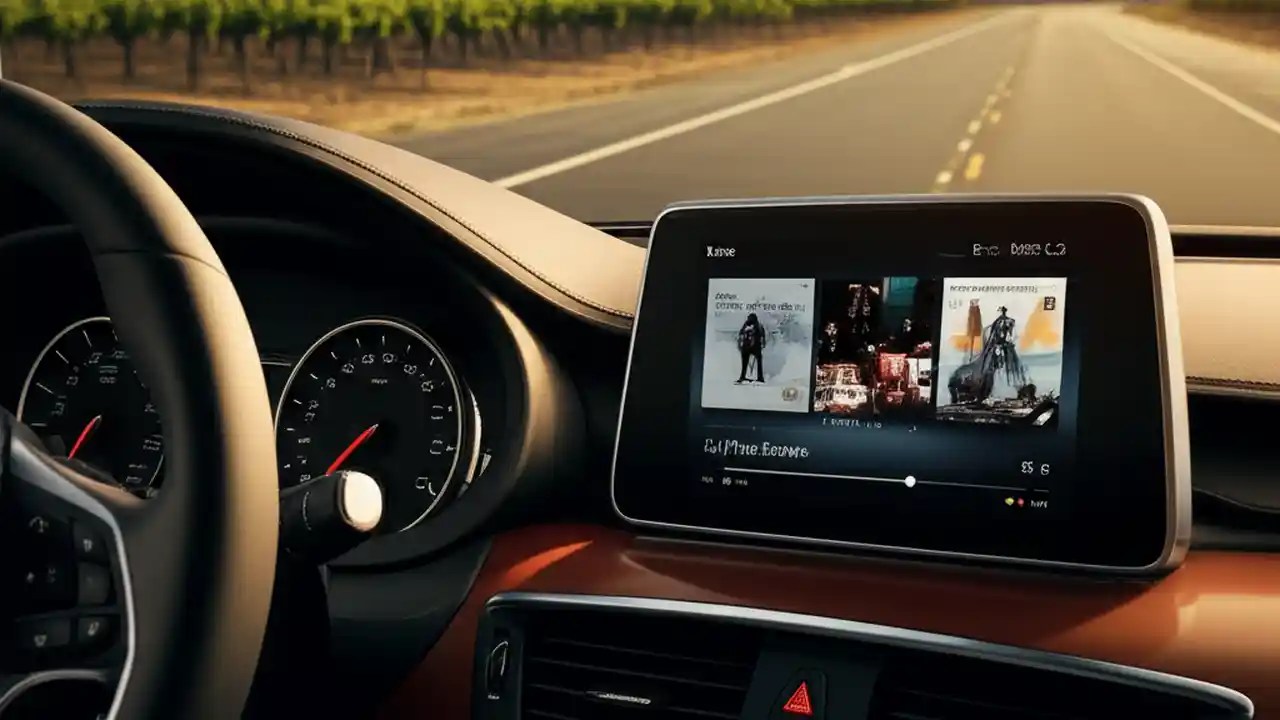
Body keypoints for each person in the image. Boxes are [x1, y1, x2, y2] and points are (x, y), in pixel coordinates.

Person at [736, 313, 766, 383]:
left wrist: (740, 345)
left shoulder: (745, 325)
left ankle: (742, 377)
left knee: (744, 363)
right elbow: (763, 336)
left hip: (745, 347)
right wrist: (763, 344)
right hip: (756, 347)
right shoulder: (759, 325)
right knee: (759, 361)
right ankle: (760, 377)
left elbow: (740, 335)